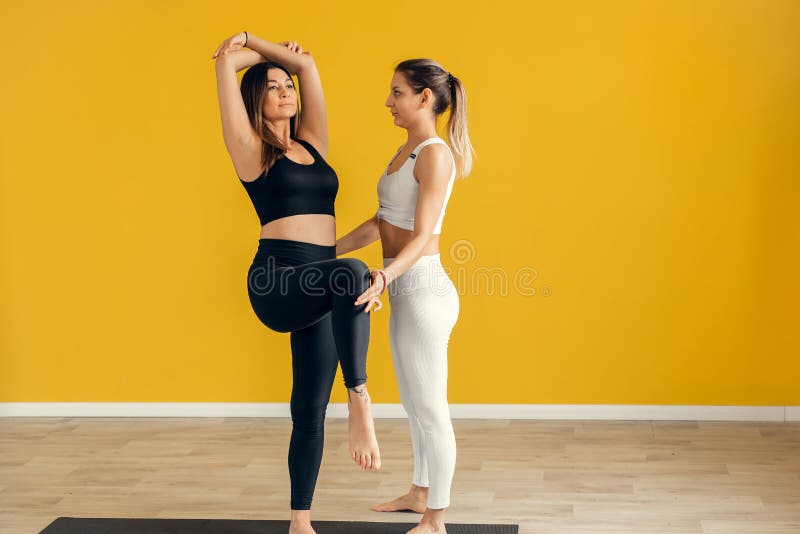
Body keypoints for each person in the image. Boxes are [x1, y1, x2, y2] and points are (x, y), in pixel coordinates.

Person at [212, 32, 382, 534]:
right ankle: (360, 399)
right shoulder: (250, 150)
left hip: (321, 282)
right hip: (277, 281)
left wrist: (287, 61)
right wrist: (252, 42)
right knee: (352, 272)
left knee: (308, 407)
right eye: (273, 86)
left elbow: (308, 67)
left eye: (287, 86)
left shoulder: (313, 143)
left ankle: (299, 521)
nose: (286, 91)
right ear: (255, 98)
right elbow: (225, 65)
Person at [337, 59, 475, 534]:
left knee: (431, 410)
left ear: (424, 97)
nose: (388, 101)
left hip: (424, 292)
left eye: (397, 92)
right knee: (414, 406)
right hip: (402, 290)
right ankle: (419, 493)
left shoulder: (435, 154)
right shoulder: (405, 151)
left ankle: (436, 518)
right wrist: (325, 251)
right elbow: (381, 222)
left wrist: (385, 276)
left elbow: (423, 236)